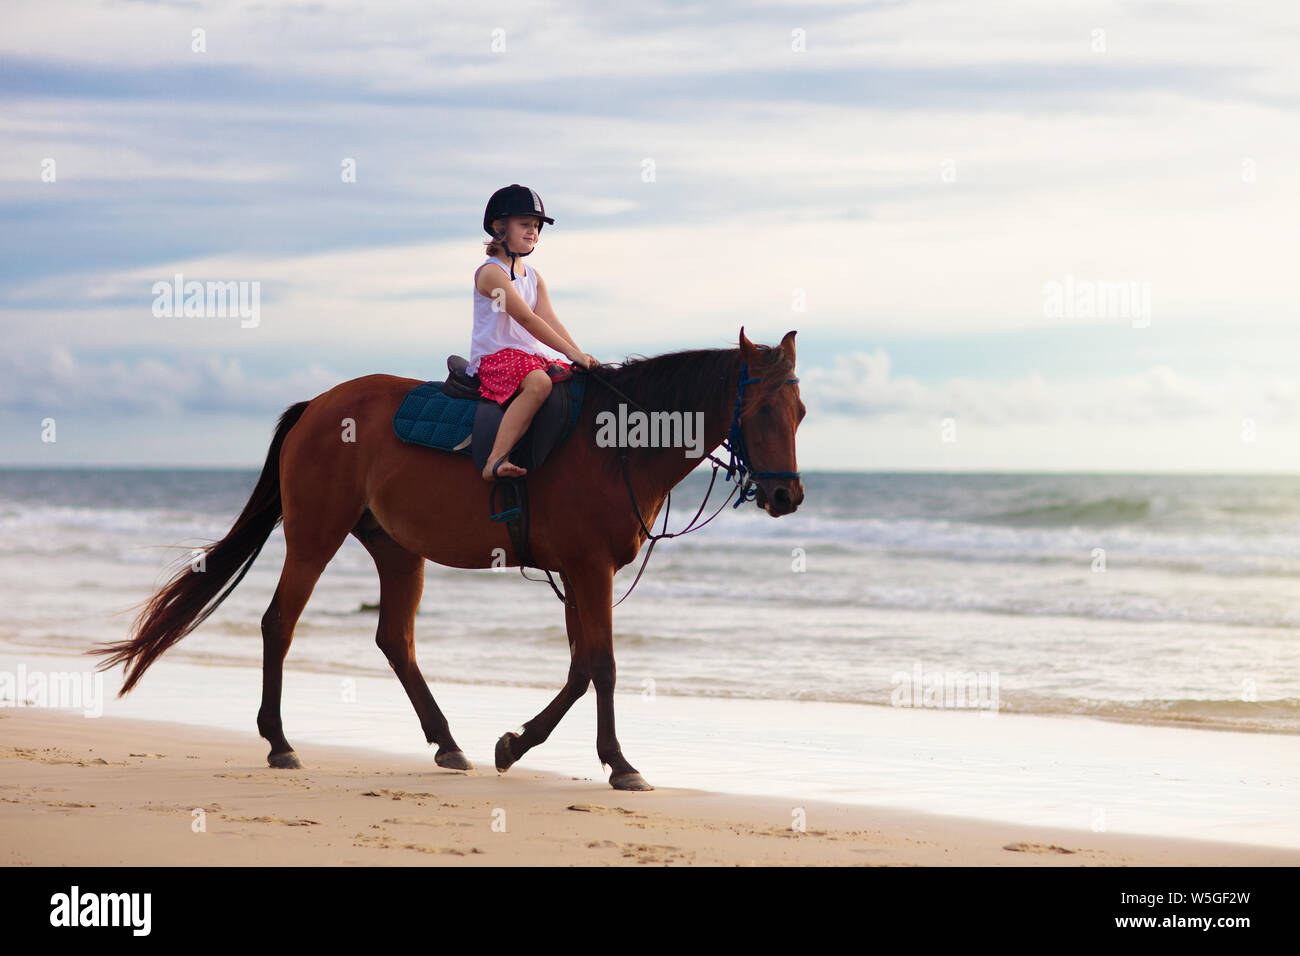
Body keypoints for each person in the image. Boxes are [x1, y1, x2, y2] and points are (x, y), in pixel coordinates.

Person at [468, 184, 599, 481]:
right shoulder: (491, 273)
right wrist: (570, 353)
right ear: (500, 226)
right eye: (525, 224)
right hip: (496, 358)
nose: (533, 232)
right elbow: (526, 319)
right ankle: (495, 459)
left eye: (537, 227)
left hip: (528, 357)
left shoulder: (534, 276)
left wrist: (579, 355)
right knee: (540, 384)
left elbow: (550, 319)